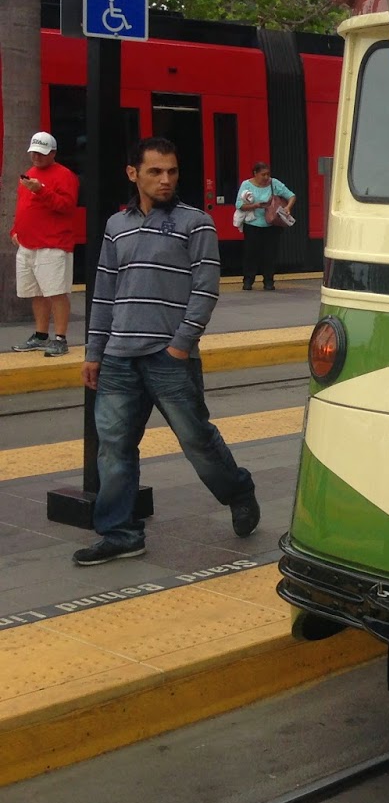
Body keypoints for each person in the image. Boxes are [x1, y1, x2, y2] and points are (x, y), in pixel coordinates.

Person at [75, 137, 258, 567]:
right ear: (133, 173)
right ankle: (121, 533)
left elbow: (205, 289)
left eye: (172, 171)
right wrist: (94, 350)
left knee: (196, 440)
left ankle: (238, 490)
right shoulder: (116, 227)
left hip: (168, 358)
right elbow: (104, 293)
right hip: (120, 356)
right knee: (114, 446)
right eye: (156, 171)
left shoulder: (196, 223)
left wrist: (180, 346)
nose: (166, 179)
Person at [10, 131, 80, 358]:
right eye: (34, 153)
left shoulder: (64, 175)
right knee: (37, 293)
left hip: (53, 244)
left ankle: (60, 338)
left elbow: (67, 206)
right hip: (28, 244)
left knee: (56, 292)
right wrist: (16, 230)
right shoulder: (29, 174)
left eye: (42, 153)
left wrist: (41, 191)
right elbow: (23, 206)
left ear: (53, 153)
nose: (36, 157)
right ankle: (41, 335)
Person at [235, 162, 296, 290]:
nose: (266, 177)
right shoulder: (246, 185)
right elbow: (239, 205)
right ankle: (248, 281)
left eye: (268, 174)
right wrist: (255, 206)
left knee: (270, 254)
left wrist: (288, 208)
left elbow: (291, 196)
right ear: (255, 174)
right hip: (252, 225)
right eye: (263, 174)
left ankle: (269, 281)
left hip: (271, 225)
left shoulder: (274, 183)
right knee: (251, 253)